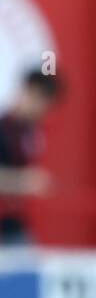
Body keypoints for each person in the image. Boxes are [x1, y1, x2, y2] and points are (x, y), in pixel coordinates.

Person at [0, 69, 61, 245]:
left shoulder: (29, 133)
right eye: (42, 101)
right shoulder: (4, 128)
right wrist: (24, 181)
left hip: (12, 223)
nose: (43, 110)